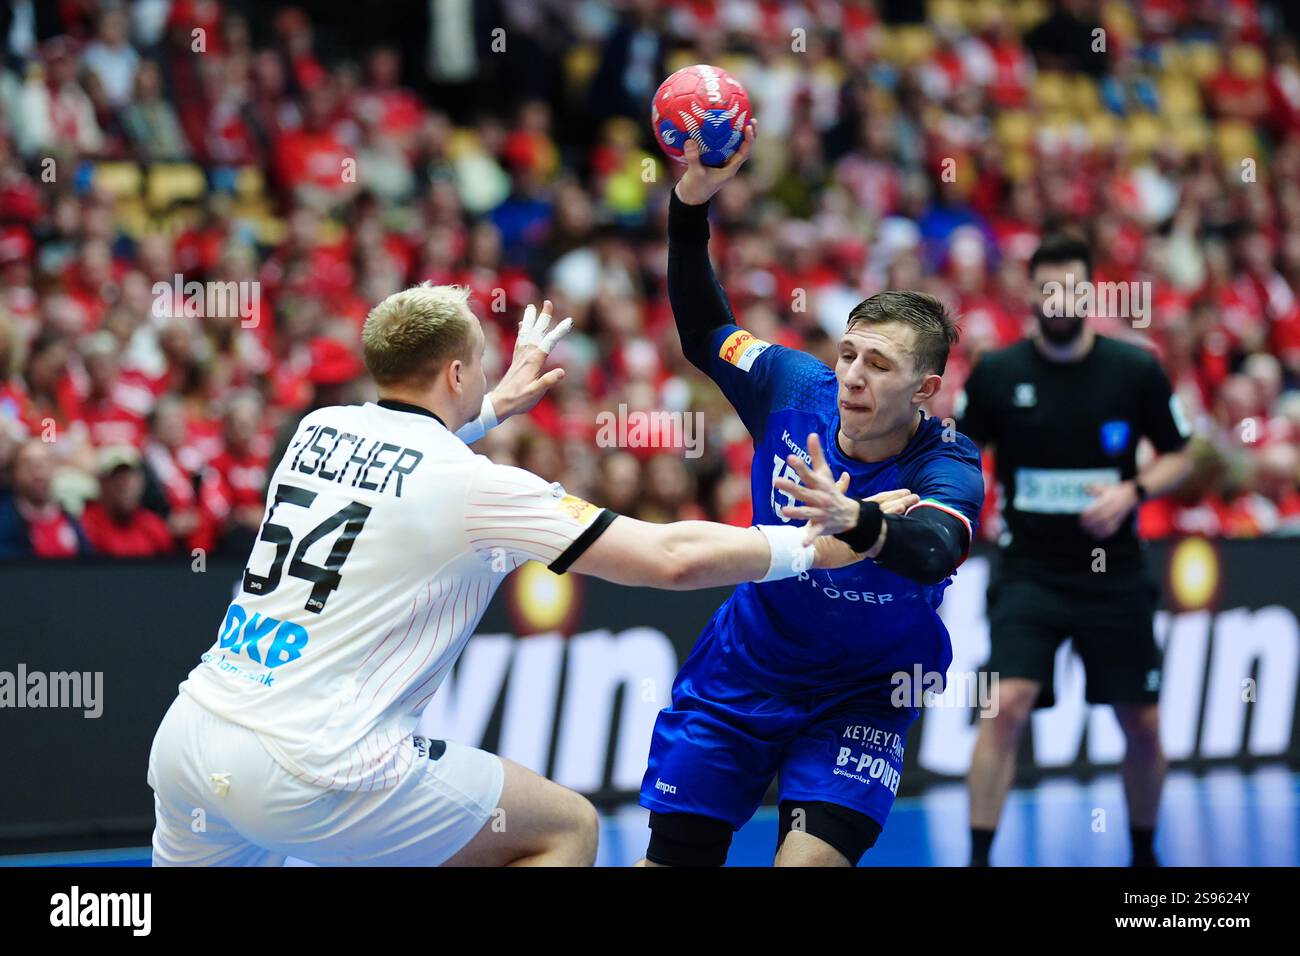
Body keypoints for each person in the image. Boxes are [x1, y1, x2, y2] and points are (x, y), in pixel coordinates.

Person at [146, 286, 865, 867]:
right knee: (566, 828)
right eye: (480, 364)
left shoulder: (316, 428)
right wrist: (808, 544)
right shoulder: (479, 487)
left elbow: (402, 460)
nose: (487, 374)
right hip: (315, 765)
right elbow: (667, 558)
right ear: (456, 372)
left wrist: (488, 410)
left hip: (193, 738)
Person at [636, 125, 986, 867]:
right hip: (747, 667)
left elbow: (935, 551)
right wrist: (690, 205)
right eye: (849, 353)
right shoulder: (793, 384)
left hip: (865, 692)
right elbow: (707, 332)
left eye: (880, 366)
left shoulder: (947, 459)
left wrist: (855, 521)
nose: (855, 375)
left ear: (924, 389)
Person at [956, 234, 1194, 867]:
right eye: (1048, 287)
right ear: (1030, 295)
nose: (1059, 299)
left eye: (1072, 288)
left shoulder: (1135, 369)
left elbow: (1181, 452)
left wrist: (1132, 490)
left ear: (1089, 294)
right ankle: (979, 858)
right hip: (1029, 571)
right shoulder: (997, 375)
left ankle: (1144, 857)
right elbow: (955, 456)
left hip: (1114, 573)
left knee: (1141, 723)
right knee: (1004, 705)